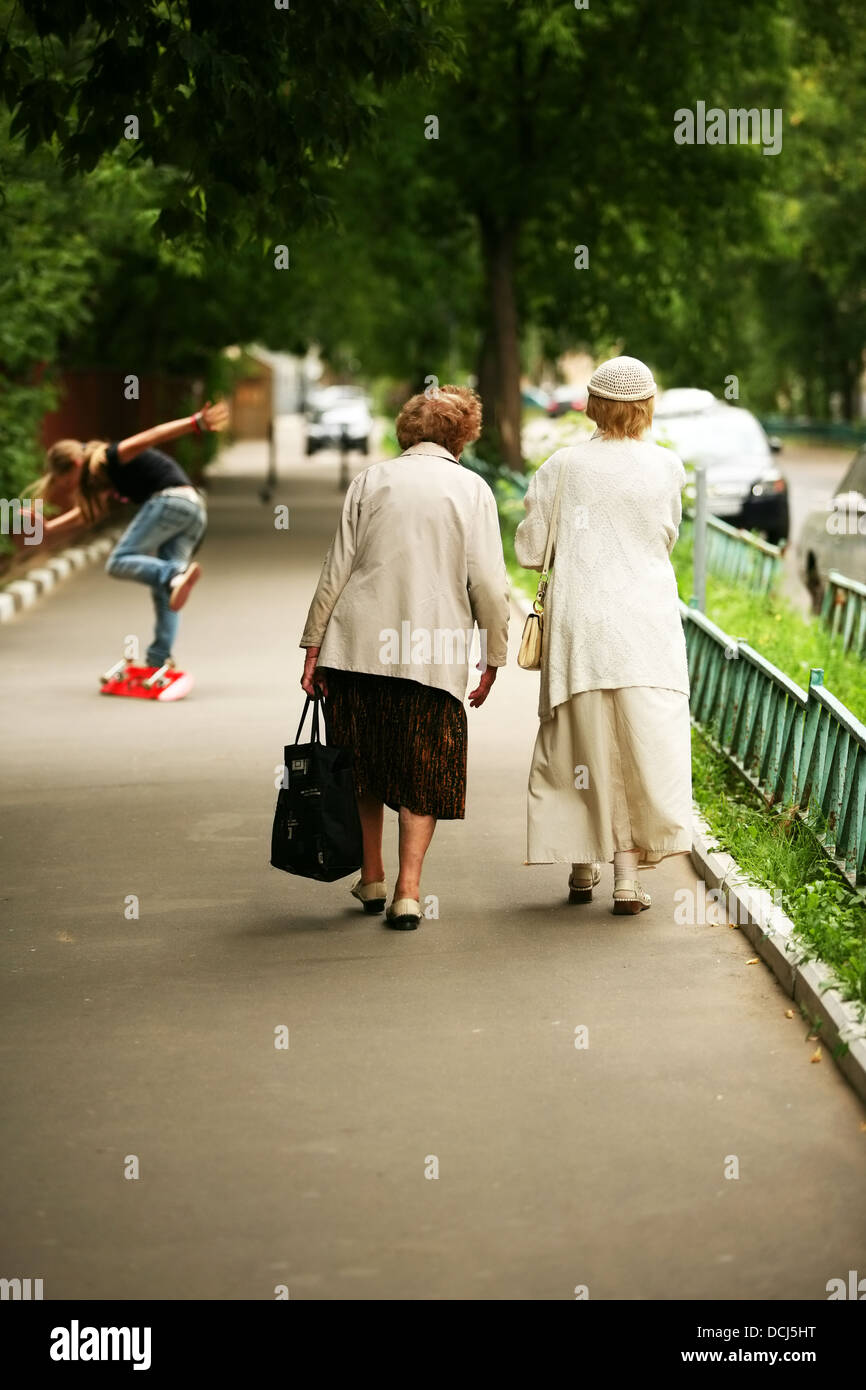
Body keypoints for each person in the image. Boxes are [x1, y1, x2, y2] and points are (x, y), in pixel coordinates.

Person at [300, 385, 510, 930]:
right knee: (423, 767)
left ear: (407, 431)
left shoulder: (370, 481)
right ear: (463, 436)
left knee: (364, 761)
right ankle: (407, 892)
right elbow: (487, 581)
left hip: (358, 646)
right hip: (432, 656)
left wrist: (314, 647)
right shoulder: (472, 490)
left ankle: (370, 876)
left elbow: (336, 568)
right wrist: (493, 654)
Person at [515, 355, 691, 915]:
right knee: (638, 750)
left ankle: (581, 864)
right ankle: (628, 881)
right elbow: (665, 538)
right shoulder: (667, 468)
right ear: (646, 407)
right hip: (645, 626)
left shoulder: (561, 467)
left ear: (592, 404)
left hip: (580, 627)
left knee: (580, 745)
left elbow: (528, 551)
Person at [40, 402, 229, 671]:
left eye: (68, 481)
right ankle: (158, 659)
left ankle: (172, 575)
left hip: (171, 502)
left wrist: (196, 422)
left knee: (119, 561)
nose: (72, 488)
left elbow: (153, 435)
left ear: (75, 463)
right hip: (194, 510)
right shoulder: (105, 475)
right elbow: (85, 514)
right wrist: (48, 528)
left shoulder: (114, 455)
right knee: (168, 594)